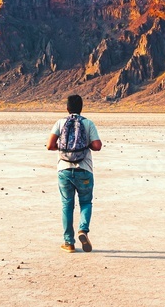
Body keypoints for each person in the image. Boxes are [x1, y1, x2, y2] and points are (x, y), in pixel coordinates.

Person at [47, 94, 102, 253]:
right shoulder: (88, 123)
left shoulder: (60, 122)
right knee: (86, 202)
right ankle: (83, 230)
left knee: (67, 205)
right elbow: (97, 146)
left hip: (64, 170)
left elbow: (49, 145)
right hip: (84, 170)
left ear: (67, 108)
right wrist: (85, 145)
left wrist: (64, 148)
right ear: (81, 108)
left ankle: (68, 243)